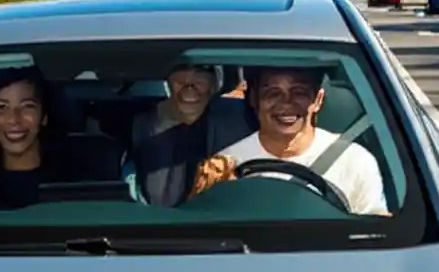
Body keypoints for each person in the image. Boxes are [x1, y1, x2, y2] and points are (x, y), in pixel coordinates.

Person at [193, 66, 388, 216]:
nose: (286, 103)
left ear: (318, 100)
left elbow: (376, 234)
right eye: (272, 93)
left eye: (299, 92)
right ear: (253, 99)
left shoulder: (355, 161)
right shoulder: (224, 167)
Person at [0, 67, 95, 210]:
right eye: (1, 107)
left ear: (43, 116)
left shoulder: (77, 181)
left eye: (27, 106)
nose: (14, 119)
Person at [126, 64, 254, 207]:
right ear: (168, 79)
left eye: (202, 69)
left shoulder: (241, 121)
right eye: (181, 68)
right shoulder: (133, 123)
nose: (189, 83)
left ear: (215, 83)